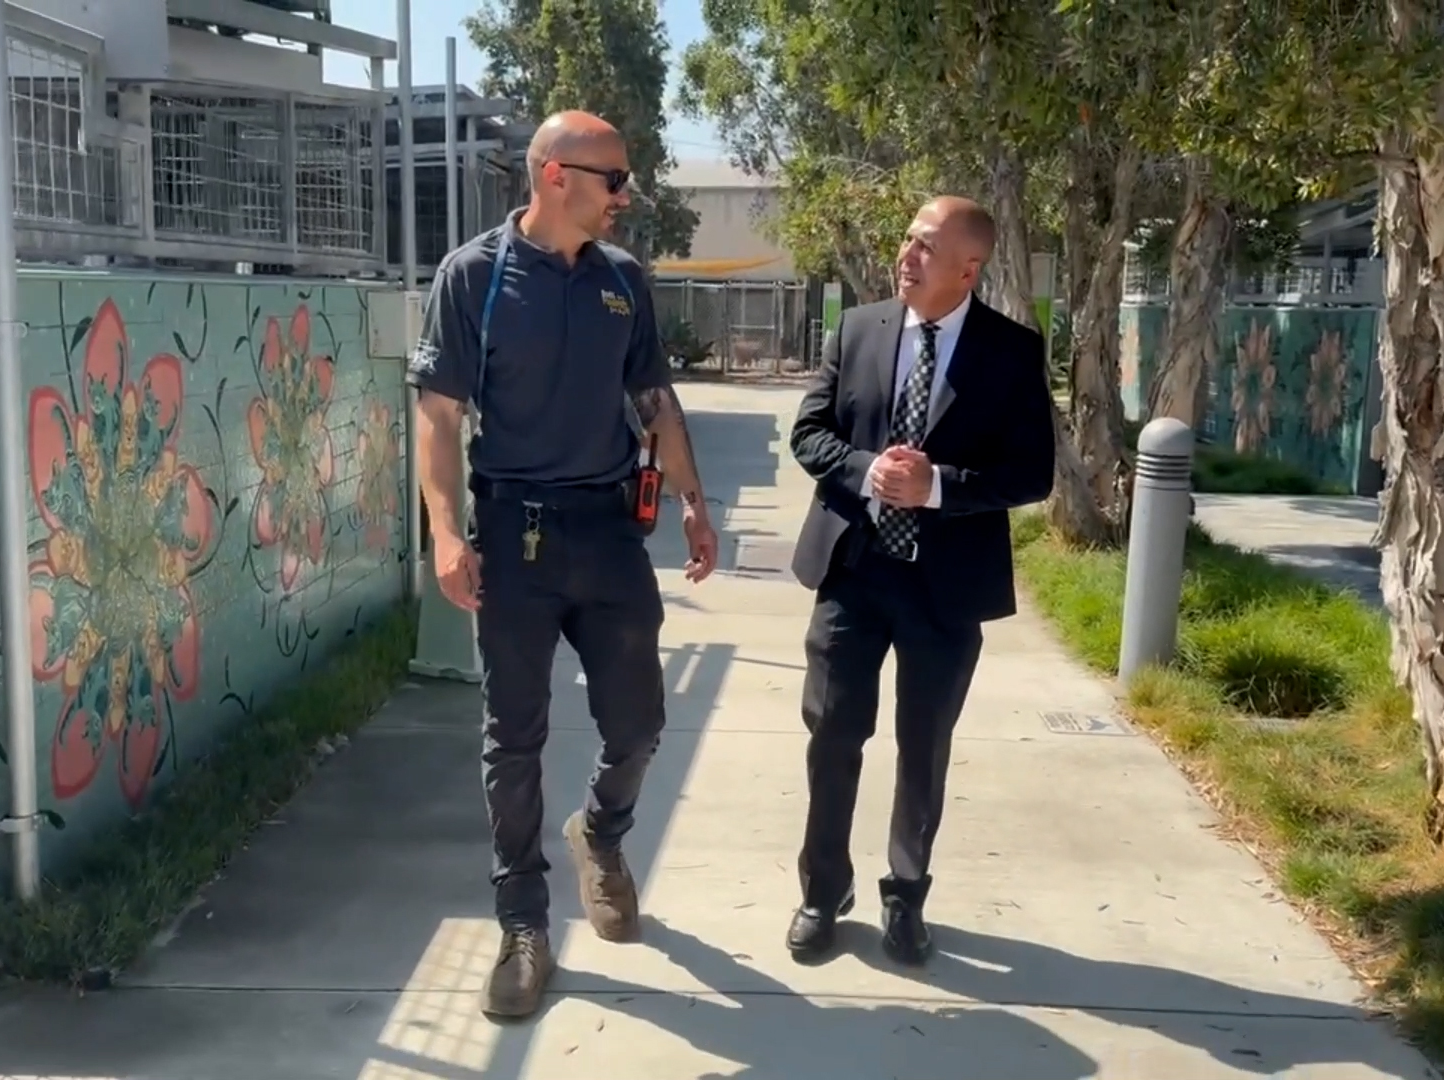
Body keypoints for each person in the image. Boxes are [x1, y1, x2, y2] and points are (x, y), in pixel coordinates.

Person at [408, 110, 720, 1019]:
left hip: (611, 532)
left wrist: (696, 506)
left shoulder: (624, 280)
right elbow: (437, 416)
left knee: (639, 725)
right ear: (553, 175)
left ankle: (603, 832)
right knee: (515, 736)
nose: (627, 196)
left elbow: (655, 402)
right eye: (613, 180)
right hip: (515, 535)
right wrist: (444, 531)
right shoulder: (474, 275)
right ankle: (522, 925)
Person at [784, 196, 1057, 965]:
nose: (907, 253)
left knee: (923, 744)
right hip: (854, 569)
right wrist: (868, 471)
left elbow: (1031, 472)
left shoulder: (1009, 352)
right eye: (907, 238)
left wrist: (936, 485)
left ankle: (906, 894)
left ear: (969, 267)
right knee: (833, 732)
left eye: (927, 246)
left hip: (946, 585)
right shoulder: (859, 327)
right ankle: (821, 890)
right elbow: (809, 432)